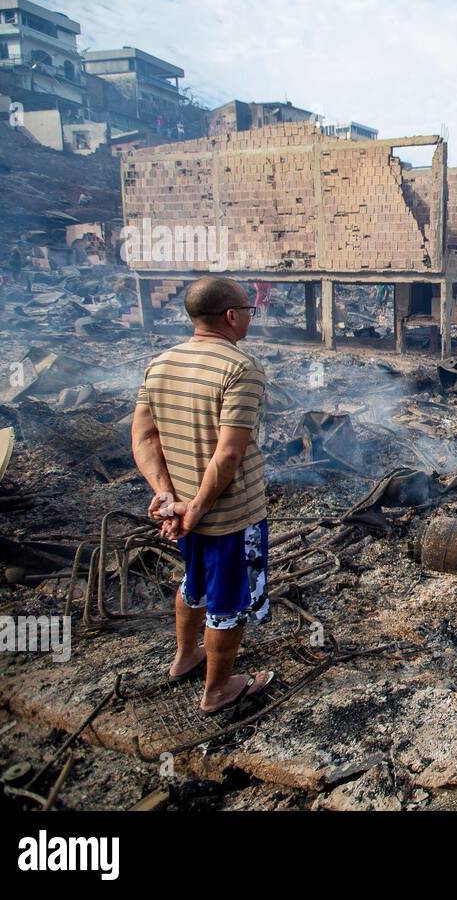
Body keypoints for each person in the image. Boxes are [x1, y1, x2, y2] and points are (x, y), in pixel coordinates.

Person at [131, 276, 274, 713]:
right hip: (229, 516)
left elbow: (143, 437)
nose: (251, 317)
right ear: (232, 315)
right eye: (249, 309)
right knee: (229, 601)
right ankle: (218, 690)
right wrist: (198, 509)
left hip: (182, 511)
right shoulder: (240, 368)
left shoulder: (160, 364)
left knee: (193, 583)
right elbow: (228, 456)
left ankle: (185, 656)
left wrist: (167, 498)